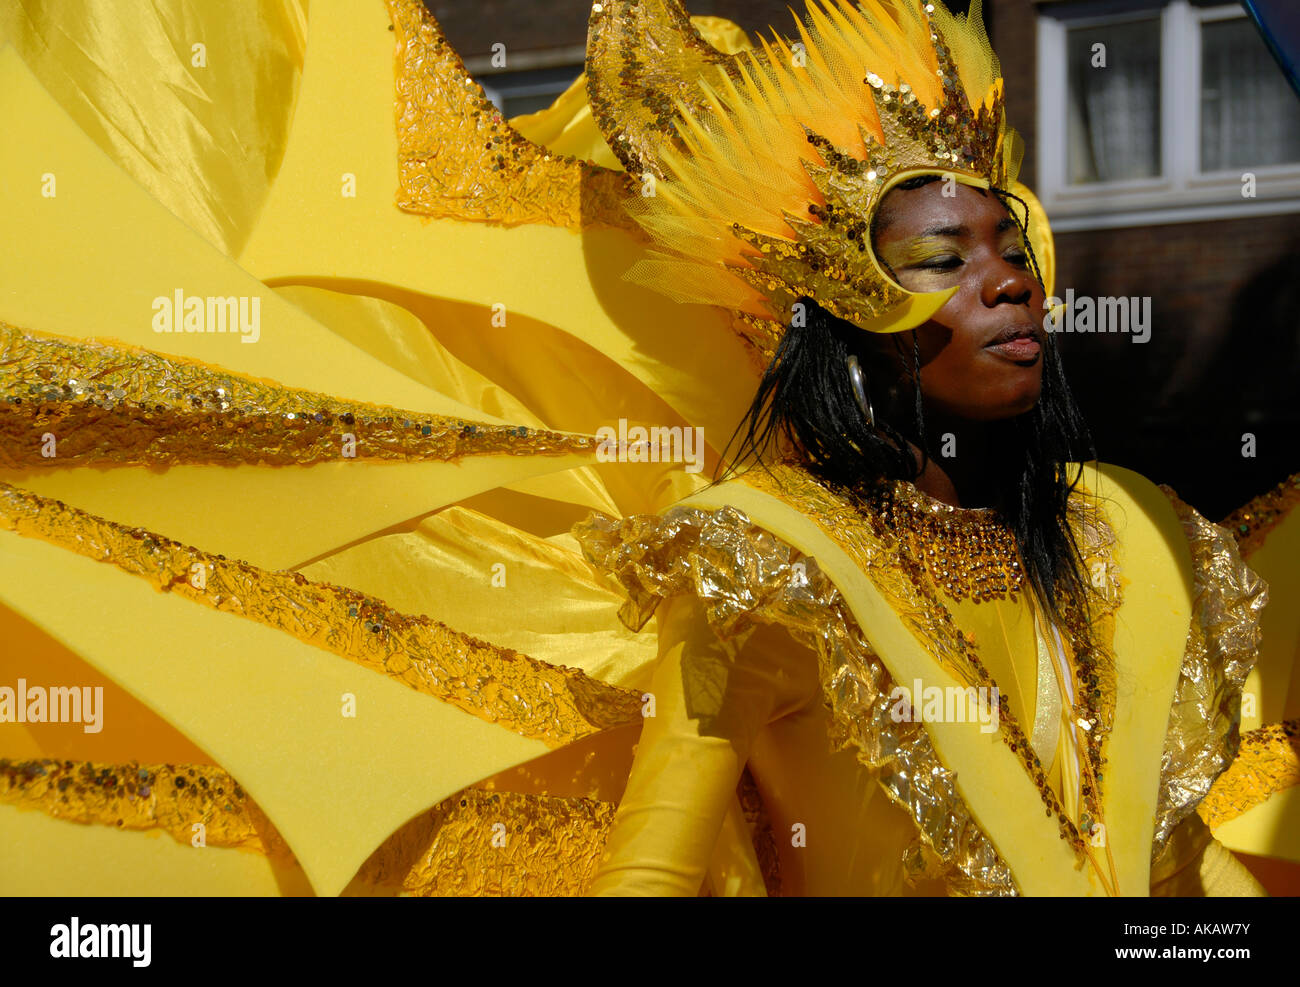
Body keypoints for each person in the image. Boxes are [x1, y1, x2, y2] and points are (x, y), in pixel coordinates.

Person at [0, 0, 1277, 896]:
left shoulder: (1136, 533)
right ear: (841, 321)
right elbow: (654, 873)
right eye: (944, 261)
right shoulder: (764, 570)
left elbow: (1189, 863)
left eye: (1013, 249)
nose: (1005, 288)